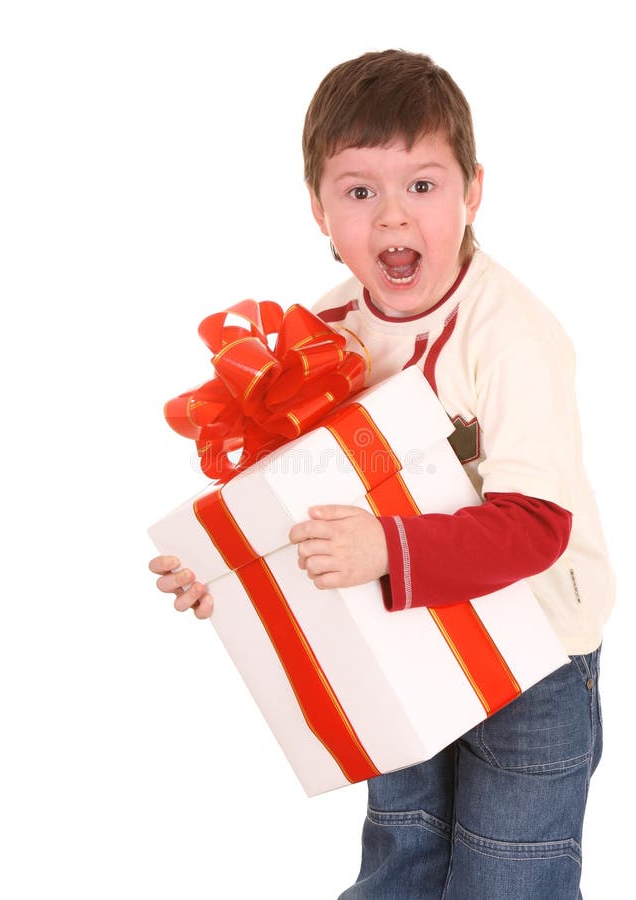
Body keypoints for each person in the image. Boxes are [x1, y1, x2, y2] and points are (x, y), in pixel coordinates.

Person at [149, 50, 613, 899]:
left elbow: (539, 527)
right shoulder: (327, 326)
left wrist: (387, 549)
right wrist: (221, 571)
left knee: (507, 880)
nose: (392, 216)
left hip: (536, 654)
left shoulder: (508, 338)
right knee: (401, 857)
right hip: (404, 637)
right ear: (319, 209)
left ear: (473, 191)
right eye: (359, 191)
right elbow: (282, 493)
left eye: (423, 187)